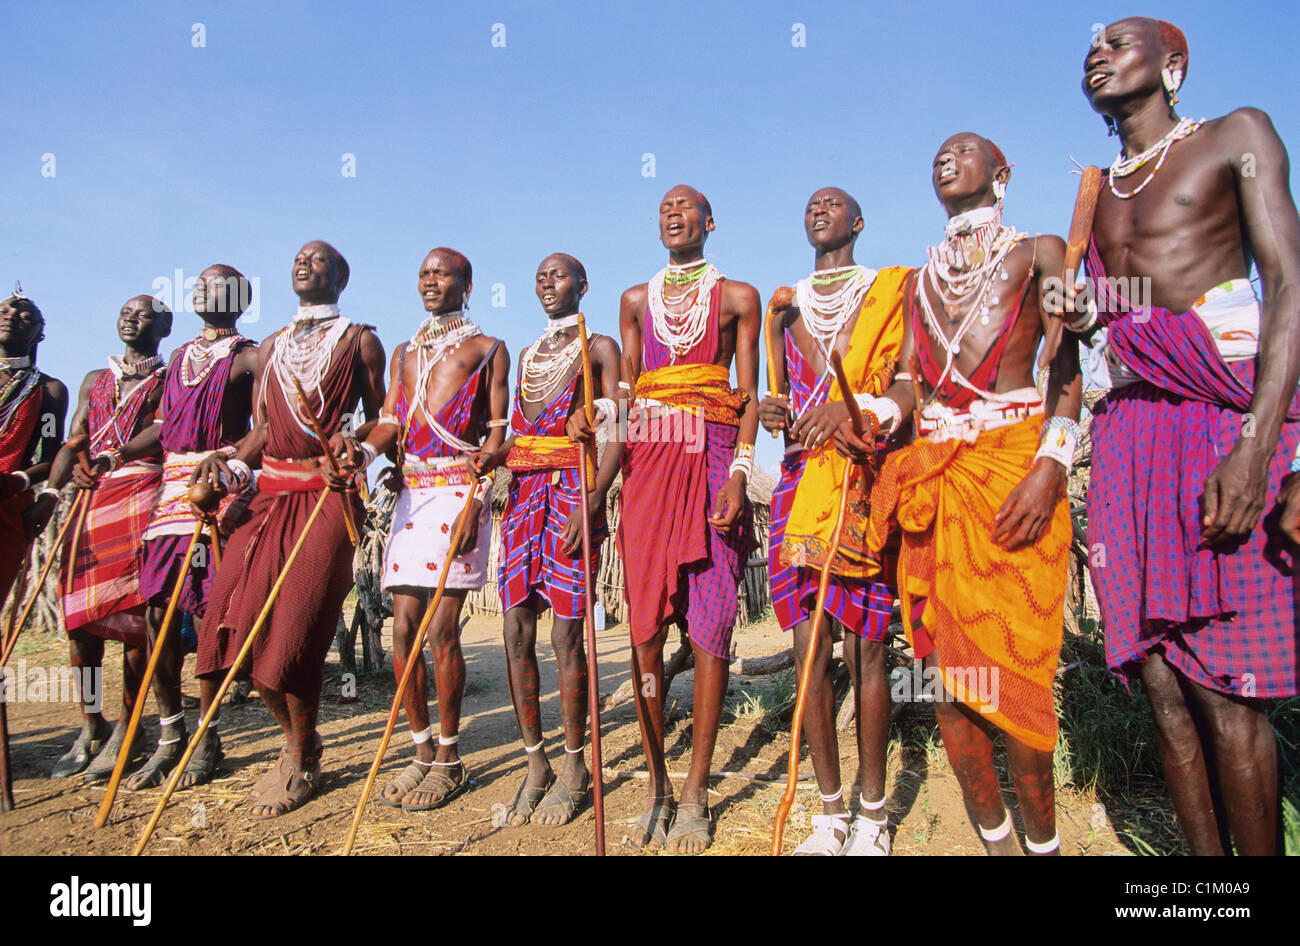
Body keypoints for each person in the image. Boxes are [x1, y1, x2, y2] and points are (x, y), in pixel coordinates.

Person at [1079, 17, 1300, 855]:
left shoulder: (1236, 135)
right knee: (1166, 684)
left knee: (1227, 688)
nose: (1099, 52)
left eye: (1121, 41)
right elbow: (1106, 315)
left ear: (1172, 65)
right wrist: (1077, 313)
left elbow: (1288, 285)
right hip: (1132, 425)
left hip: (1219, 413)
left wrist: (1256, 449)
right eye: (1092, 49)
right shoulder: (1096, 192)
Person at [859, 134, 1081, 855]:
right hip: (940, 486)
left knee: (1016, 688)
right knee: (946, 687)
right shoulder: (916, 279)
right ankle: (997, 843)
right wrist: (877, 414)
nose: (945, 159)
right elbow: (906, 381)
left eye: (964, 151)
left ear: (1002, 174)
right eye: (937, 155)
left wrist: (1052, 467)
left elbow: (1066, 367)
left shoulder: (1041, 250)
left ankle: (1043, 847)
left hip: (1015, 474)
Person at [194, 240, 386, 818]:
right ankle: (299, 737)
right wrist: (225, 463)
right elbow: (259, 431)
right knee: (234, 622)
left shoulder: (359, 339)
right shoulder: (273, 344)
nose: (305, 263)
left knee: (296, 625)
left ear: (340, 277)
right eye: (299, 258)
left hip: (326, 495)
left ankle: (302, 753)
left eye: (320, 259)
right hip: (265, 497)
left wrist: (359, 449)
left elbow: (382, 417)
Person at [599, 184, 760, 853]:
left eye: (687, 206)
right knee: (643, 635)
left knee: (711, 627)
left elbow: (748, 395)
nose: (673, 213)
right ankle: (657, 784)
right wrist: (602, 440)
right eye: (665, 207)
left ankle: (695, 791)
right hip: (650, 469)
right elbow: (626, 393)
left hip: (714, 455)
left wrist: (740, 473)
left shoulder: (739, 298)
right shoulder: (635, 300)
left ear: (710, 221)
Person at [758, 188, 909, 855]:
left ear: (860, 221)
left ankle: (874, 815)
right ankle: (829, 811)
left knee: (867, 645)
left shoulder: (893, 290)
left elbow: (912, 381)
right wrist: (774, 414)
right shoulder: (784, 308)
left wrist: (855, 413)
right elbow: (784, 400)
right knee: (807, 648)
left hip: (862, 477)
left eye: (834, 203)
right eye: (810, 203)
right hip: (798, 482)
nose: (818, 209)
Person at [347, 247, 508, 812]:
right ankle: (419, 751)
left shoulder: (488, 349)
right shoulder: (405, 350)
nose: (430, 281)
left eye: (442, 273)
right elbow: (392, 418)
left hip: (459, 495)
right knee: (402, 631)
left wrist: (477, 500)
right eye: (423, 273)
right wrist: (364, 453)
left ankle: (450, 757)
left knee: (442, 631)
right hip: (412, 497)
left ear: (467, 283)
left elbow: (496, 433)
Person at [493, 253, 621, 826]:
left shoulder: (599, 347)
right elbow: (517, 432)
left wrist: (594, 498)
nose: (547, 281)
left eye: (559, 274)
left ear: (583, 285)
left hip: (573, 492)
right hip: (523, 494)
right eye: (539, 274)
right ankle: (534, 761)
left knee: (568, 633)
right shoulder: (524, 356)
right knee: (515, 627)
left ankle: (575, 764)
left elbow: (618, 428)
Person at [120, 266, 259, 790]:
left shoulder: (250, 355)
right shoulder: (177, 358)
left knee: (207, 615)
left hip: (219, 484)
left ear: (241, 298)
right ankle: (169, 732)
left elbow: (266, 424)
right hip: (173, 486)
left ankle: (208, 733)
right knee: (158, 611)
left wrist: (234, 468)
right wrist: (115, 453)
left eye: (220, 283)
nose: (206, 289)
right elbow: (161, 426)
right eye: (200, 282)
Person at [48, 295, 170, 780]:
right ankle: (90, 722)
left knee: (132, 622)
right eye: (125, 310)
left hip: (140, 494)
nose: (130, 318)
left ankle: (130, 722)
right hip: (89, 501)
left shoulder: (168, 379)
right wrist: (50, 492)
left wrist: (112, 458)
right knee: (80, 624)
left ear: (163, 325)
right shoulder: (94, 381)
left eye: (143, 313)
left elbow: (164, 431)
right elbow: (75, 437)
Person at [0, 290, 68, 621]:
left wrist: (16, 481)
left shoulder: (48, 390)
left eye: (24, 316)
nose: (10, 315)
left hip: (7, 503)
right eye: (3, 310)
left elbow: (51, 457)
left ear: (40, 333)